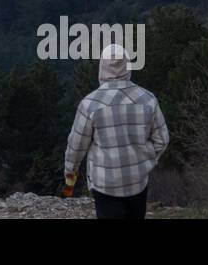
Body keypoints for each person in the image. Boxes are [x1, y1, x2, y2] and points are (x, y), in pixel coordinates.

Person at [64, 43, 169, 219]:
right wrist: (144, 160)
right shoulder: (148, 99)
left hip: (105, 184)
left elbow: (76, 147)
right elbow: (162, 140)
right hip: (138, 182)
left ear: (102, 68)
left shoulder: (90, 104)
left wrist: (70, 173)